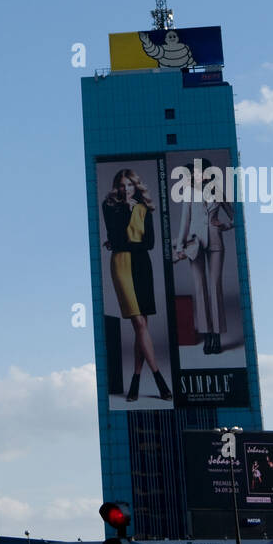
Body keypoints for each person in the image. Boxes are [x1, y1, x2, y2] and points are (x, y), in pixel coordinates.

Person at [102, 168, 172, 402]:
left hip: (143, 266)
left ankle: (135, 380)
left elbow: (150, 243)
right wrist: (119, 241)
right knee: (139, 322)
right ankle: (159, 378)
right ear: (117, 187)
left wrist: (119, 243)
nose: (126, 189)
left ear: (135, 186)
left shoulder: (145, 209)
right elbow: (117, 234)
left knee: (141, 328)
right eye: (122, 185)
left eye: (129, 185)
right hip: (121, 265)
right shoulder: (110, 206)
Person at [173, 159, 234, 354]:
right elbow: (184, 221)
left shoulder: (218, 191)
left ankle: (217, 336)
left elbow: (235, 217)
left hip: (216, 243)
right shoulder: (189, 193)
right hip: (195, 244)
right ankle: (207, 334)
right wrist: (180, 247)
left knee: (215, 288)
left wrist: (224, 225)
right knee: (199, 289)